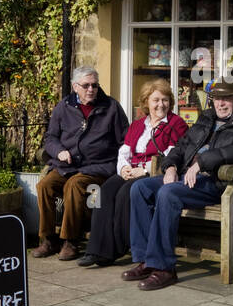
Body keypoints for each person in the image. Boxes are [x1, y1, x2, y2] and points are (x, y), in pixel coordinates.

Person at [122, 77, 233, 291]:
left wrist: (202, 161)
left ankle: (164, 268)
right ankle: (147, 260)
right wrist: (171, 166)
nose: (221, 104)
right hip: (185, 178)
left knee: (168, 193)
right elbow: (180, 148)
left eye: (226, 98)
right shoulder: (206, 119)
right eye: (217, 99)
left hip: (215, 181)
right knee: (140, 188)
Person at [76, 79, 188, 269]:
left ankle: (119, 247)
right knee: (102, 193)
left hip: (153, 174)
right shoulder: (138, 125)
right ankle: (97, 250)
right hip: (131, 170)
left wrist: (142, 170)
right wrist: (123, 169)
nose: (161, 104)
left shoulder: (176, 124)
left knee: (124, 193)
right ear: (146, 102)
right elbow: (124, 151)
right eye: (156, 100)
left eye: (165, 100)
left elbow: (173, 155)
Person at [33, 65, 129, 261]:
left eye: (94, 85)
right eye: (86, 85)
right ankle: (49, 239)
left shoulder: (111, 107)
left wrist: (122, 166)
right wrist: (59, 151)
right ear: (75, 86)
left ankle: (70, 240)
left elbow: (125, 141)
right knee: (44, 185)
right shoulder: (64, 106)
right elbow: (50, 138)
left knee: (75, 185)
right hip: (67, 165)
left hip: (98, 167)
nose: (91, 89)